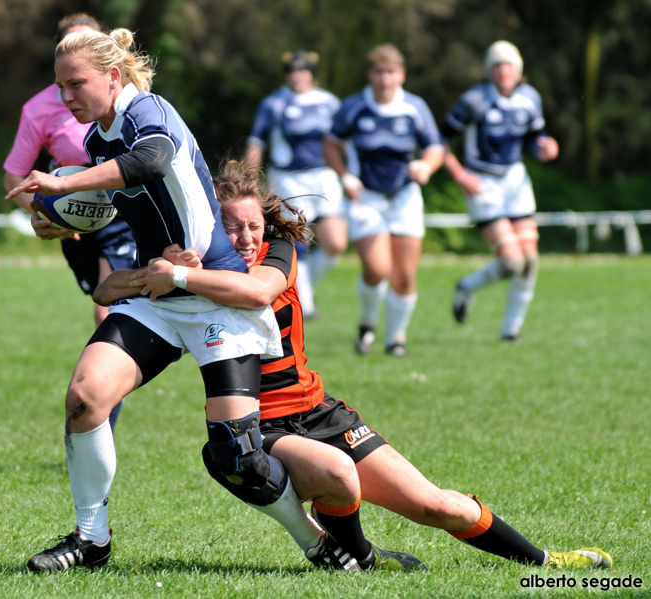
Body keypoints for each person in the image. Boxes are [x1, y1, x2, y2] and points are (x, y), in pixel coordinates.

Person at [110, 159, 612, 573]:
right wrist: (154, 274)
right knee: (339, 475)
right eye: (231, 226)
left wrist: (177, 275)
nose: (243, 236)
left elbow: (256, 290)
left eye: (252, 225)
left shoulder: (276, 252)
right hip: (259, 428)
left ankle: (547, 561)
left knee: (435, 505)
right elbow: (106, 290)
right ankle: (364, 561)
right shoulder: (190, 264)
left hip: (320, 411)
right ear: (212, 226)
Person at [5, 28, 321, 574]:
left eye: (76, 83)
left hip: (212, 293)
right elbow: (115, 199)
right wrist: (59, 220)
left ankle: (319, 544)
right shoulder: (98, 142)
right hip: (158, 292)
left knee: (238, 455)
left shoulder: (149, 111)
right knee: (85, 398)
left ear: (112, 76)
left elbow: (150, 162)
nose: (67, 97)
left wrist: (60, 186)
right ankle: (91, 540)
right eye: (60, 87)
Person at [3, 13, 134, 431]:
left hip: (124, 215)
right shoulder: (39, 107)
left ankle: (98, 423)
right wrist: (43, 215)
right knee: (99, 300)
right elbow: (14, 176)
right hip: (75, 223)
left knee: (108, 312)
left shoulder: (131, 97)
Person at [323, 44, 444, 357]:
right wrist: (345, 176)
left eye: (390, 72)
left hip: (405, 197)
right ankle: (367, 322)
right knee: (377, 268)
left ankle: (395, 338)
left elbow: (435, 148)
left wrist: (426, 166)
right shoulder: (353, 107)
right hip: (366, 198)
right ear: (370, 75)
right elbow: (331, 144)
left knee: (404, 276)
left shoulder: (414, 107)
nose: (385, 79)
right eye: (379, 72)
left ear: (401, 74)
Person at [442, 41, 559, 341]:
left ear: (518, 70)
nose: (503, 71)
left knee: (530, 260)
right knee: (511, 261)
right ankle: (466, 287)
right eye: (497, 65)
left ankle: (511, 330)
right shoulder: (474, 101)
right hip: (482, 183)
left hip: (515, 182)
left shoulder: (530, 98)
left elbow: (535, 136)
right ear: (489, 70)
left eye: (508, 65)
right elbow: (438, 141)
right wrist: (459, 174)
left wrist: (545, 147)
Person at [246, 50, 347, 320]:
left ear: (312, 74)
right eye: (292, 72)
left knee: (336, 242)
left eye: (303, 71)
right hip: (289, 178)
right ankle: (306, 303)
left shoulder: (330, 102)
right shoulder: (274, 103)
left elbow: (343, 142)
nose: (297, 76)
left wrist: (350, 174)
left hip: (324, 177)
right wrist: (248, 181)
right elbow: (257, 143)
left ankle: (306, 285)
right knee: (297, 242)